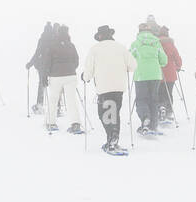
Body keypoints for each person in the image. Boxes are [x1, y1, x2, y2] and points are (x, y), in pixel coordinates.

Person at [82, 25, 137, 154]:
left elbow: (88, 70)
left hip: (104, 87)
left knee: (105, 115)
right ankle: (112, 140)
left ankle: (112, 140)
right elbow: (133, 66)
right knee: (114, 113)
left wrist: (85, 77)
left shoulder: (95, 49)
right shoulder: (121, 47)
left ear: (100, 36)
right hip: (119, 87)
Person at [130, 23, 169, 136]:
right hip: (155, 75)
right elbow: (164, 60)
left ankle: (145, 118)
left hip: (141, 75)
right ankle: (153, 125)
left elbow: (130, 59)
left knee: (141, 99)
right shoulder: (157, 43)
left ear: (139, 31)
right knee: (153, 100)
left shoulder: (135, 43)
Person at [45, 25, 82, 134]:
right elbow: (76, 60)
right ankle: (76, 124)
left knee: (53, 100)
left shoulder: (52, 45)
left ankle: (51, 122)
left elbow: (47, 61)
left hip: (56, 76)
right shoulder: (71, 45)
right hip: (70, 75)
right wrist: (70, 68)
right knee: (71, 100)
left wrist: (46, 74)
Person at [25, 23, 56, 113]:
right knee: (55, 85)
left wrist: (30, 64)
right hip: (52, 65)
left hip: (42, 65)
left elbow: (37, 52)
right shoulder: (54, 39)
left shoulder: (42, 39)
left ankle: (39, 105)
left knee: (42, 84)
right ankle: (57, 106)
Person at [156, 26, 183, 123]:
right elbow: (177, 58)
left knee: (159, 93)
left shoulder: (156, 44)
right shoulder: (171, 45)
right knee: (169, 93)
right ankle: (168, 111)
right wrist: (178, 66)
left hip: (158, 73)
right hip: (170, 74)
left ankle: (160, 108)